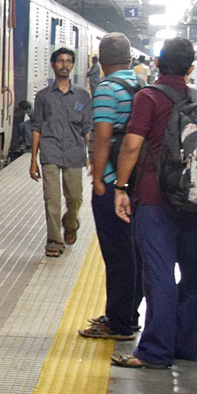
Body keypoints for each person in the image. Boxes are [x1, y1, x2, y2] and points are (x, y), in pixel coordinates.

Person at [111, 36, 197, 369]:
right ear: (190, 67)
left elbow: (131, 145)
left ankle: (156, 351)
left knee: (158, 273)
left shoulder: (149, 97)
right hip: (193, 199)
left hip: (155, 198)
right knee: (193, 269)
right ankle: (187, 345)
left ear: (157, 64)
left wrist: (121, 187)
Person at [81, 34, 142, 341]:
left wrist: (97, 177)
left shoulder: (107, 89)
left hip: (111, 181)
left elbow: (102, 135)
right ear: (129, 59)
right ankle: (129, 314)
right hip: (135, 182)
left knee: (117, 254)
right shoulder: (141, 87)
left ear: (102, 63)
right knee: (133, 252)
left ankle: (119, 323)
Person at [29, 46, 92, 258]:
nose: (64, 65)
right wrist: (33, 160)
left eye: (68, 62)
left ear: (72, 66)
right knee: (52, 200)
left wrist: (90, 155)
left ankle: (71, 222)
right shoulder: (43, 96)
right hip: (50, 153)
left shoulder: (83, 96)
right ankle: (54, 242)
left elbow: (87, 128)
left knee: (75, 197)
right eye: (60, 61)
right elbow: (36, 127)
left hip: (75, 153)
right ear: (53, 65)